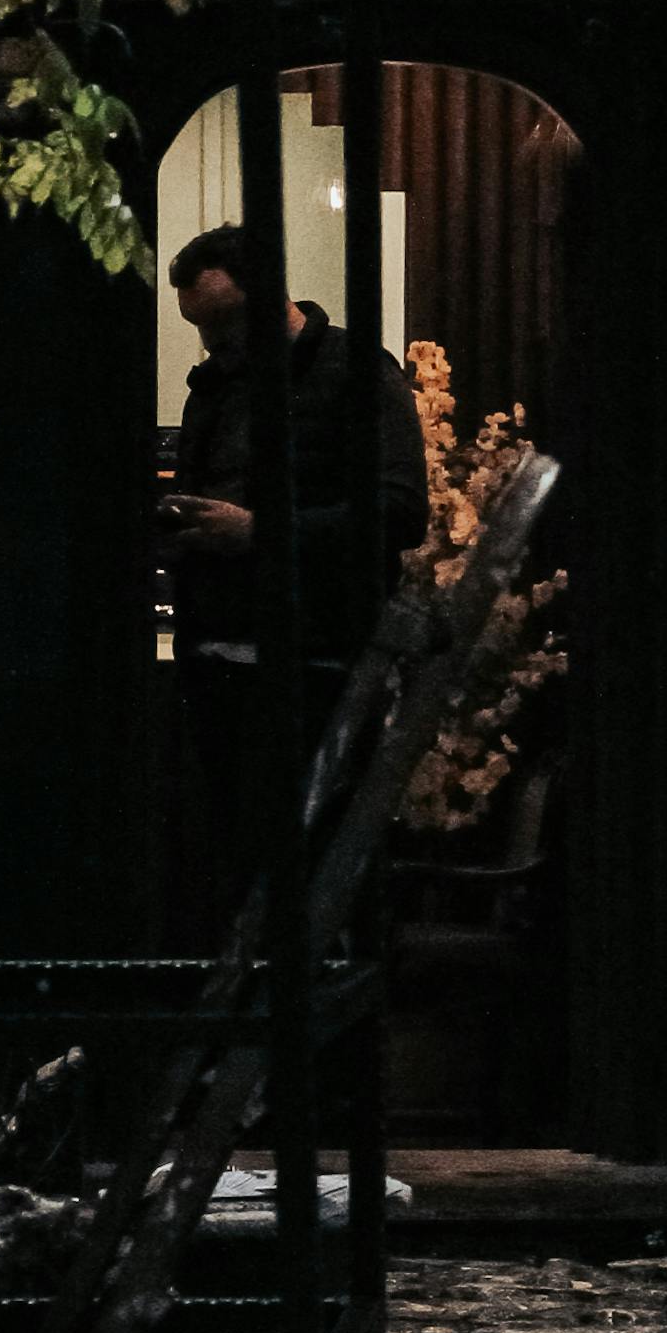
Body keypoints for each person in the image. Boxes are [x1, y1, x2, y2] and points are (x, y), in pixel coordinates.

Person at [164, 223, 428, 920]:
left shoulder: (357, 372)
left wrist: (256, 533)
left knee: (314, 871)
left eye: (219, 323)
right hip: (221, 669)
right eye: (199, 326)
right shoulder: (217, 385)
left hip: (319, 670)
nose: (210, 344)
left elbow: (401, 512)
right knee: (237, 872)